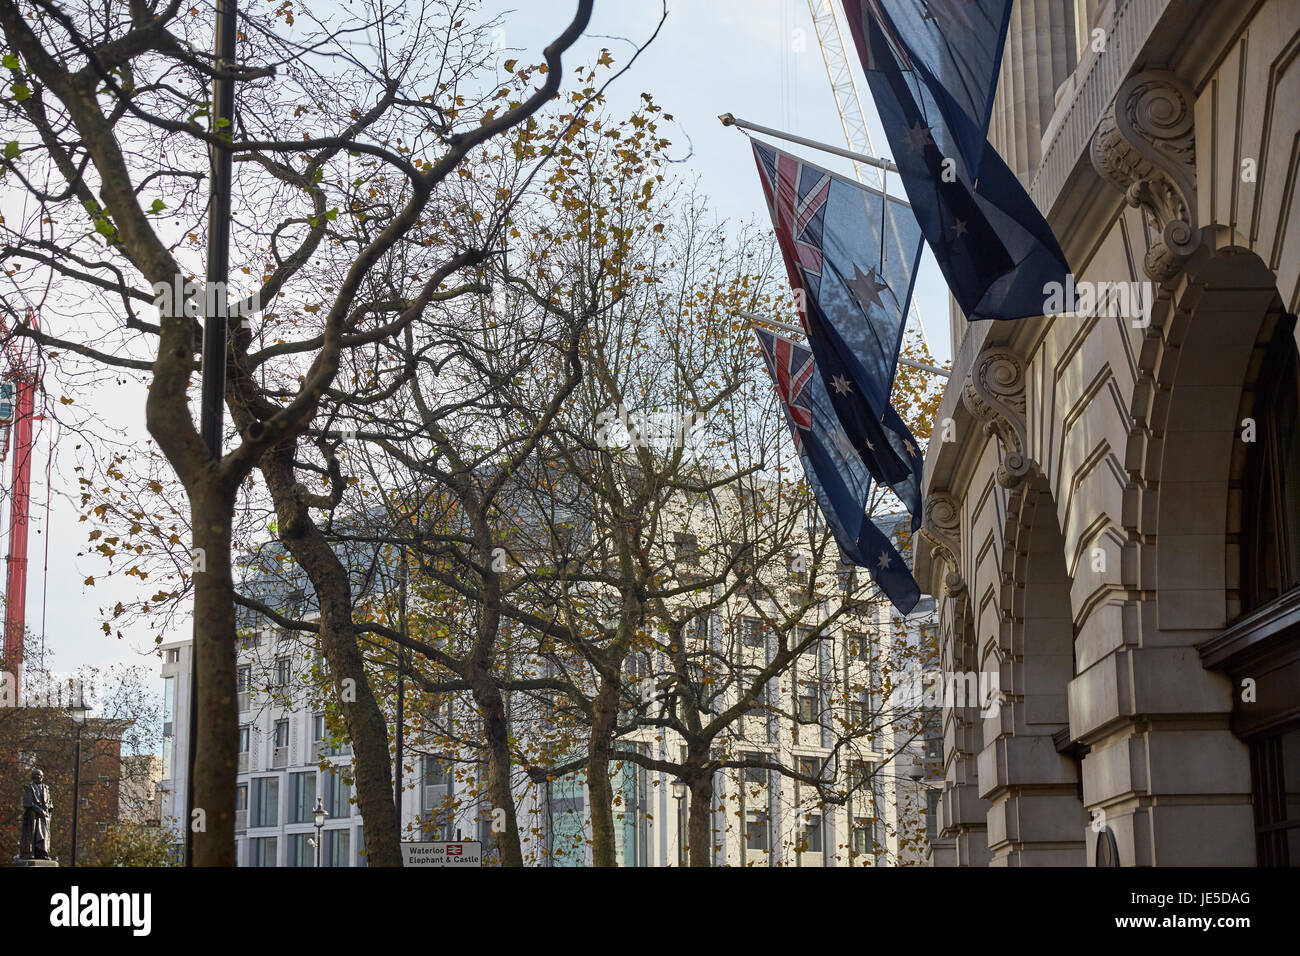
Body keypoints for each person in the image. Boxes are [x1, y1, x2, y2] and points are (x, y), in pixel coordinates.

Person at [20, 769, 53, 860]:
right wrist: (39, 810)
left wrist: (48, 809)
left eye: (41, 776)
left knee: (44, 834)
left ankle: (42, 853)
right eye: (38, 775)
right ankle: (29, 853)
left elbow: (49, 801)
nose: (40, 777)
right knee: (32, 834)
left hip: (43, 816)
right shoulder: (29, 787)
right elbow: (28, 803)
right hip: (33, 815)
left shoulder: (46, 788)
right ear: (33, 776)